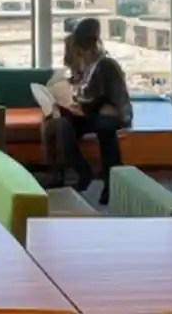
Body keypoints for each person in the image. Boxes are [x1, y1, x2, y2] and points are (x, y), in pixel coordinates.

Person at [55, 18, 132, 205]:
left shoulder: (104, 64)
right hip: (96, 112)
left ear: (85, 48)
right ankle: (84, 172)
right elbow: (88, 96)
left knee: (106, 128)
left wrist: (76, 103)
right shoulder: (90, 65)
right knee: (64, 125)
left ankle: (111, 182)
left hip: (113, 114)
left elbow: (94, 97)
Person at [41, 35, 85, 188]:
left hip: (82, 113)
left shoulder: (91, 67)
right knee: (49, 125)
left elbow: (85, 95)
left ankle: (64, 173)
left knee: (60, 125)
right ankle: (54, 173)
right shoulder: (67, 70)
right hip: (70, 110)